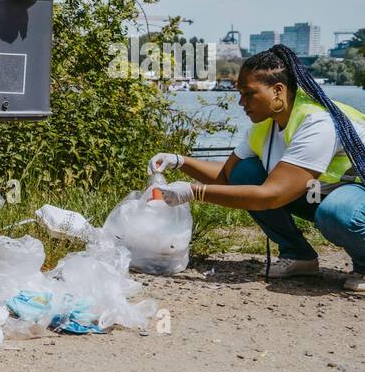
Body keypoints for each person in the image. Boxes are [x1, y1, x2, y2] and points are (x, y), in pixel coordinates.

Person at [150, 44, 365, 291]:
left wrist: (194, 192)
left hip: (355, 195)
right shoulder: (265, 126)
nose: (241, 102)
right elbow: (227, 176)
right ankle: (299, 256)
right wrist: (180, 161)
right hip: (321, 191)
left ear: (277, 90)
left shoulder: (317, 122)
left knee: (337, 213)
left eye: (248, 93)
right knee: (245, 172)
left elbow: (272, 195)